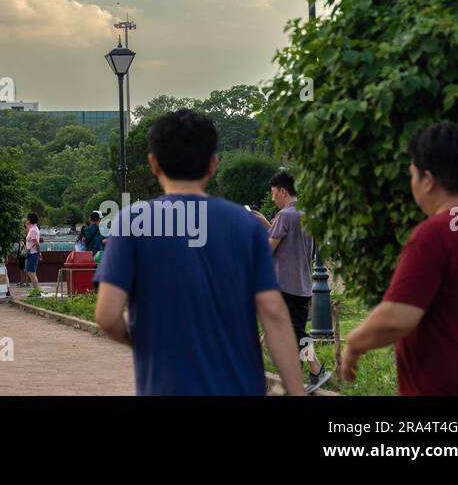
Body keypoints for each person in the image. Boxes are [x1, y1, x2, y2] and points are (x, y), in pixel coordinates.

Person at [93, 109, 305, 395]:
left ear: (154, 164)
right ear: (213, 165)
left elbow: (107, 316)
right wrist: (296, 390)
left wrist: (147, 342)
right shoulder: (246, 225)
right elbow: (274, 312)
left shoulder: (131, 224)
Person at [342, 122, 458, 394]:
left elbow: (397, 318)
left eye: (412, 175)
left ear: (428, 180)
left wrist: (354, 343)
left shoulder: (436, 234)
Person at [249, 171, 331, 392]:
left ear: (283, 191)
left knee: (294, 332)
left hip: (285, 285)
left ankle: (316, 369)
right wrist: (267, 223)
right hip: (303, 285)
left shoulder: (284, 216)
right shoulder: (306, 215)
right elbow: (290, 243)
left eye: (274, 192)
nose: (272, 196)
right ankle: (296, 379)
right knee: (293, 332)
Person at [21, 214, 42, 291]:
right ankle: (36, 290)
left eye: (27, 218)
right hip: (31, 253)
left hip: (33, 253)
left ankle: (36, 291)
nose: (26, 219)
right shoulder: (33, 228)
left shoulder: (33, 230)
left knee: (31, 273)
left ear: (30, 220)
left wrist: (39, 253)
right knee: (31, 273)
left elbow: (37, 243)